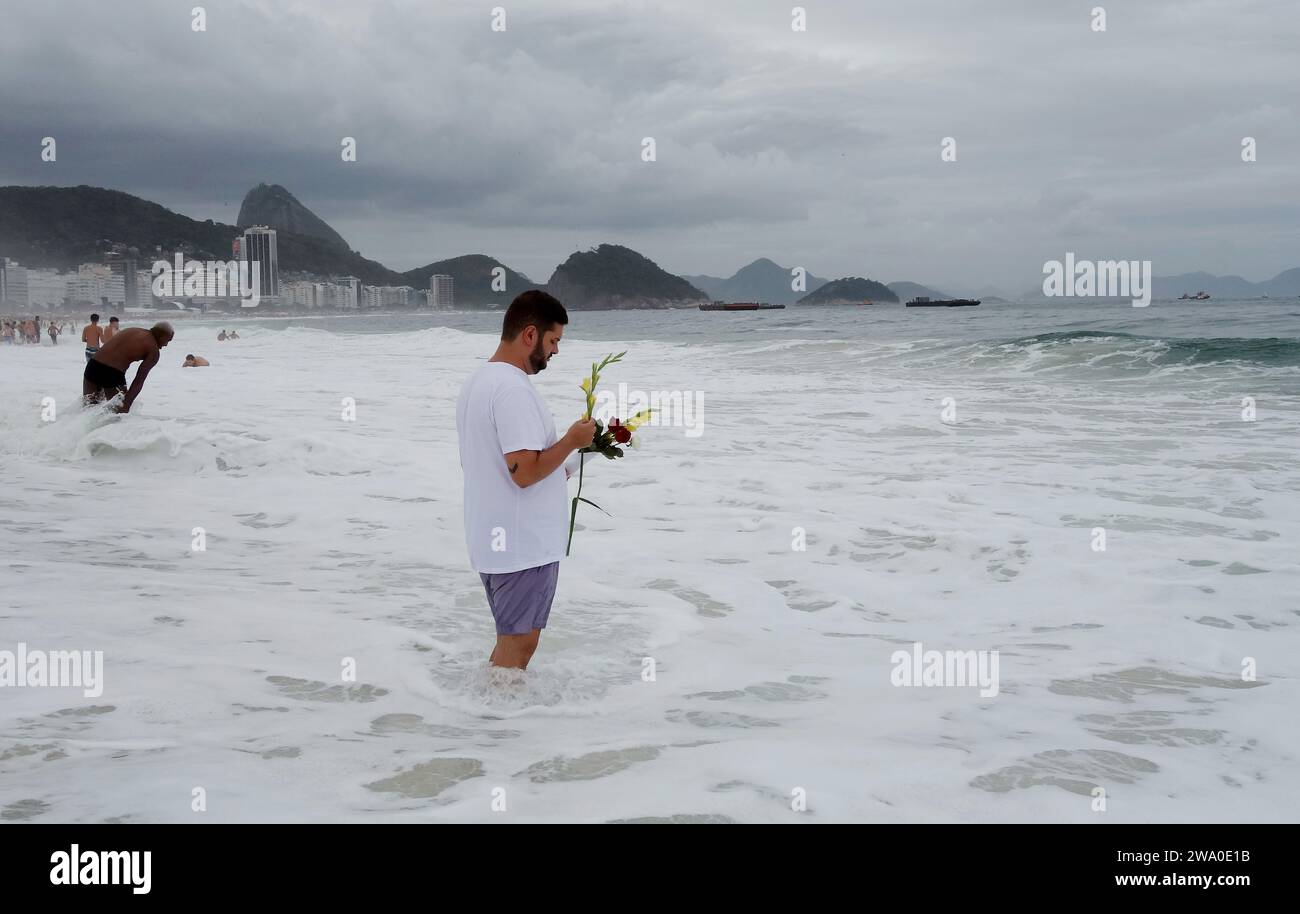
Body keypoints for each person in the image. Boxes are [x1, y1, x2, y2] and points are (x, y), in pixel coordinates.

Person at [455, 290, 595, 671]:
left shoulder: (479, 382)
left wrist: (580, 454)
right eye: (553, 341)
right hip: (520, 545)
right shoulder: (512, 388)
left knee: (514, 642)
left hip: (496, 536)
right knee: (518, 645)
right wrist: (570, 440)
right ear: (530, 335)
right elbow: (524, 473)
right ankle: (497, 725)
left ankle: (487, 715)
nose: (555, 352)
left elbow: (508, 469)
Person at [83, 322, 174, 413]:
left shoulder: (132, 330)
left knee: (88, 409)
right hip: (112, 374)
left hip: (92, 366)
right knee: (115, 415)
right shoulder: (153, 351)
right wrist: (126, 405)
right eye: (168, 340)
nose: (166, 345)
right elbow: (138, 382)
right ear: (161, 336)